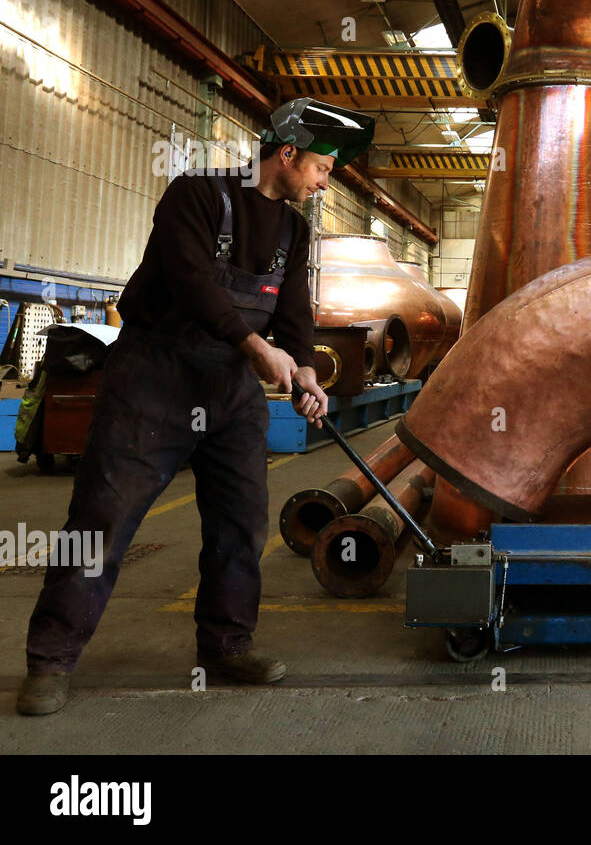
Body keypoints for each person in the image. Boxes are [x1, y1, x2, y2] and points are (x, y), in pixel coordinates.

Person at [17, 99, 375, 716]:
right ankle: (50, 660)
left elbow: (294, 314)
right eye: (321, 167)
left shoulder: (293, 229)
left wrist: (308, 372)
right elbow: (192, 280)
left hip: (229, 391)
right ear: (286, 154)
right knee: (103, 519)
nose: (324, 182)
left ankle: (227, 646)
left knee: (241, 521)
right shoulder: (200, 195)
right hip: (153, 378)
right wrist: (255, 347)